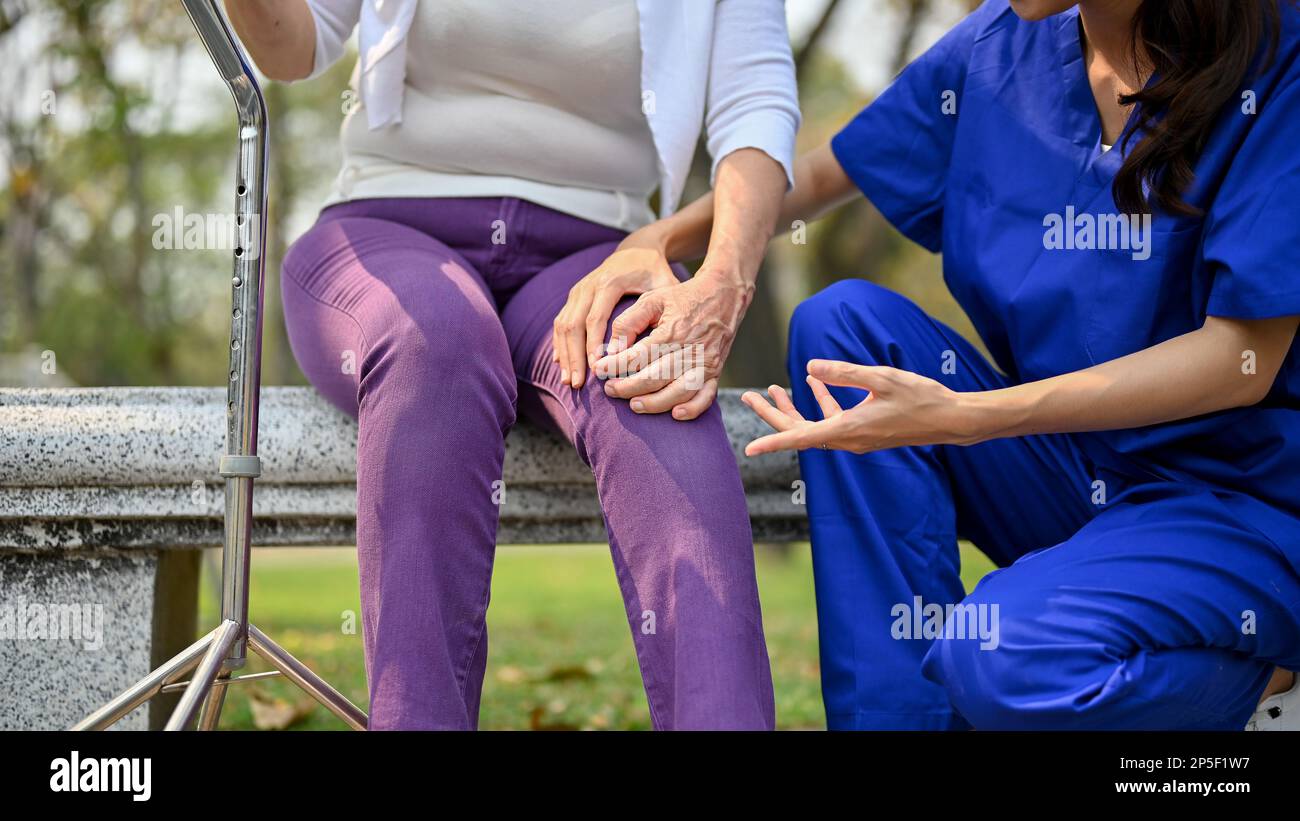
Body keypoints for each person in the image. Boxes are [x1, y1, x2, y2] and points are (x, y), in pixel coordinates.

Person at [599, 0, 1300, 730]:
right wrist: (657, 240)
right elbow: (820, 177)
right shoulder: (1003, 45)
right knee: (844, 331)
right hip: (1070, 473)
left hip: (1238, 504)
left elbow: (1241, 360)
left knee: (1000, 659)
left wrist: (966, 416)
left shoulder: (1279, 55)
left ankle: (1268, 680)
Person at [225, 0, 799, 730]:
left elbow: (755, 107)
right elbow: (290, 48)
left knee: (659, 390)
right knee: (435, 349)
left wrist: (720, 281)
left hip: (602, 252)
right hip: (389, 226)